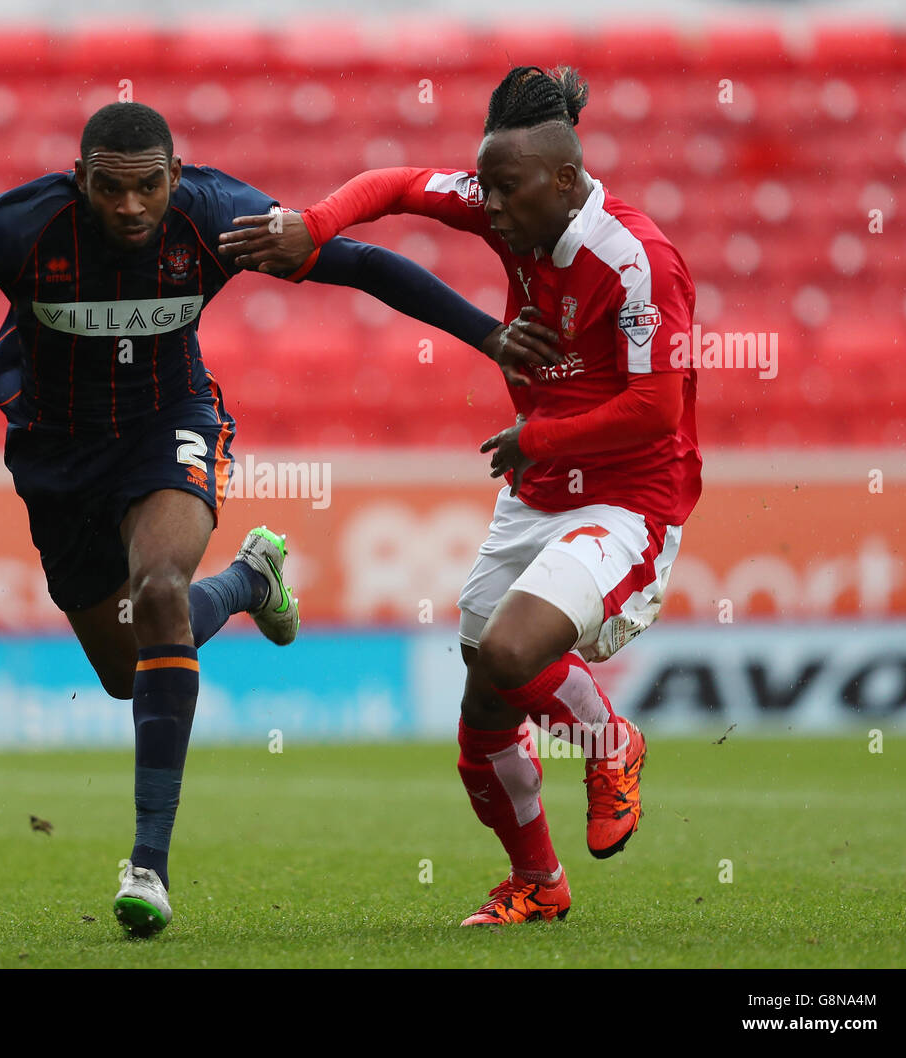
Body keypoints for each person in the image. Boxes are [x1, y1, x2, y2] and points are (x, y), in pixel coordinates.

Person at [0, 102, 514, 936]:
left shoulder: (221, 217)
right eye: (111, 189)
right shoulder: (18, 227)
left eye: (148, 187)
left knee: (163, 590)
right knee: (123, 669)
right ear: (82, 179)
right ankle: (251, 578)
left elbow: (357, 263)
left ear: (176, 179)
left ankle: (148, 865)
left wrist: (492, 338)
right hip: (54, 456)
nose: (131, 207)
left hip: (167, 424)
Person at [220, 66, 701, 926]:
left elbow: (656, 409)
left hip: (629, 498)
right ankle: (539, 886)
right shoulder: (506, 200)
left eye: (508, 191)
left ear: (564, 180)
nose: (493, 209)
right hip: (538, 491)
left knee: (514, 654)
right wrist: (313, 225)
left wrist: (539, 436)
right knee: (483, 712)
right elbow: (397, 185)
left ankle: (611, 741)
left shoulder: (636, 261)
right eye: (487, 189)